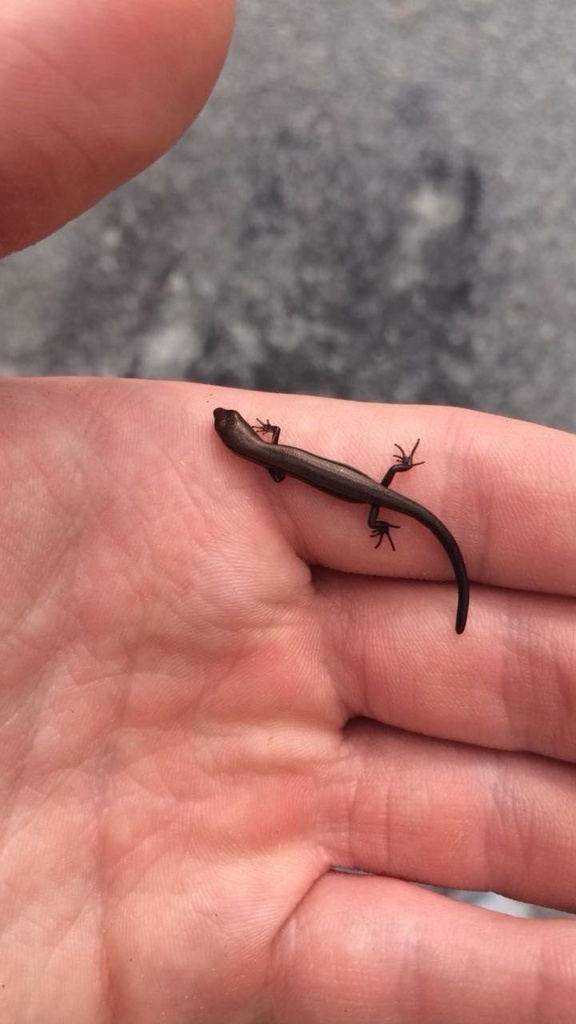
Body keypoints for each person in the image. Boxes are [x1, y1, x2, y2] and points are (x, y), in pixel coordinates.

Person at [1, 4, 575, 1022]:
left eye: (232, 428)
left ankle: (414, 533)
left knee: (406, 513)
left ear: (245, 445)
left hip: (370, 494)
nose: (234, 428)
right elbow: (276, 462)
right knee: (395, 505)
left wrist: (360, 498)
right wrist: (365, 499)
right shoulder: (267, 459)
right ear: (249, 441)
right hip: (368, 490)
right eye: (236, 429)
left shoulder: (267, 467)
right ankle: (409, 528)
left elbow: (275, 469)